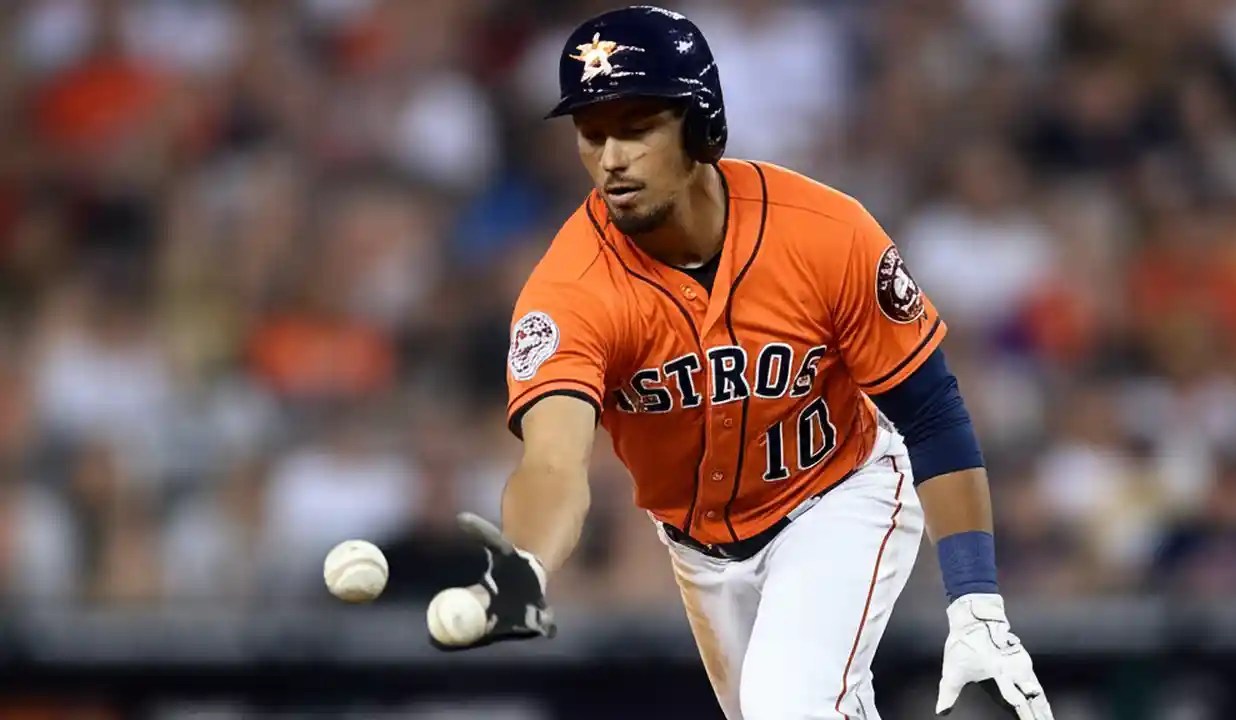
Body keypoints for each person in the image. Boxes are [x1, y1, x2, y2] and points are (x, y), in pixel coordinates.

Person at [429, 6, 1054, 719]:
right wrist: (526, 564)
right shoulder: (570, 289)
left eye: (636, 128)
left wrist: (974, 598)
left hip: (839, 496)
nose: (611, 157)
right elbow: (553, 463)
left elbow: (932, 412)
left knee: (787, 707)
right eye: (592, 133)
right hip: (700, 551)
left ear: (701, 127)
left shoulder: (824, 232)